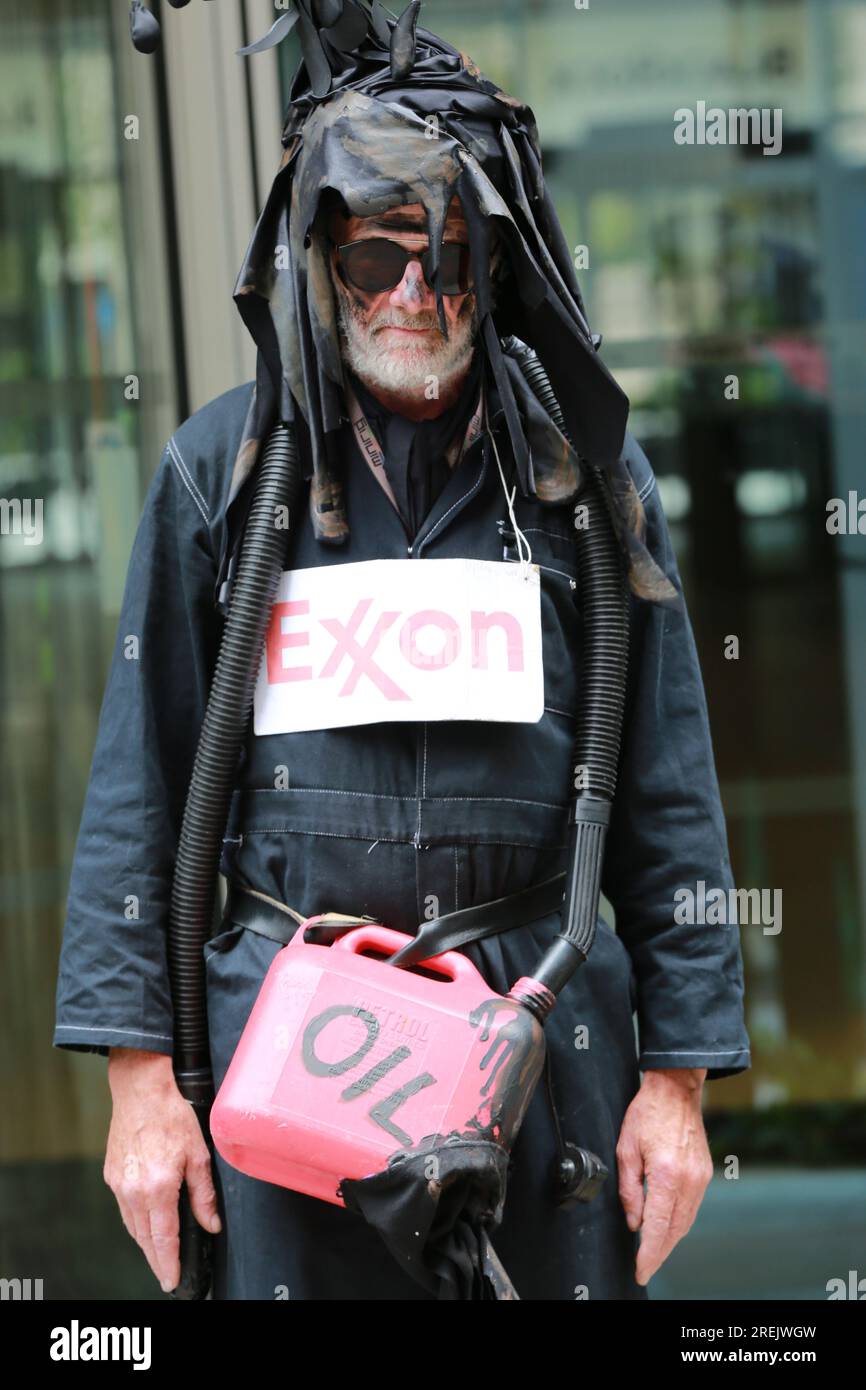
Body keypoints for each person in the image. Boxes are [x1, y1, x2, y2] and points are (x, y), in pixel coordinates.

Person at [54, 2, 750, 1301]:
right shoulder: (222, 474)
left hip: (532, 1039)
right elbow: (138, 785)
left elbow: (665, 787)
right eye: (376, 256)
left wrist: (677, 1079)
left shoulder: (584, 482)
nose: (413, 293)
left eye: (447, 258)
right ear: (320, 262)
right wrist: (139, 1080)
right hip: (287, 1041)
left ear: (499, 266)